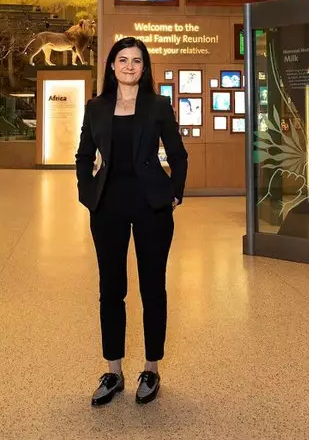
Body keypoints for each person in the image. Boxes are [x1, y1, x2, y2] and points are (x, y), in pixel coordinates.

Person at [75, 37, 188, 407]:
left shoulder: (157, 106)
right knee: (111, 289)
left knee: (153, 287)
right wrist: (87, 194)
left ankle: (151, 368)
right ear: (111, 66)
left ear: (144, 67)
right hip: (108, 206)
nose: (128, 66)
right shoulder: (96, 107)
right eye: (122, 60)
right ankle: (114, 370)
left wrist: (174, 192)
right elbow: (83, 156)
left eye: (136, 61)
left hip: (151, 206)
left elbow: (178, 155)